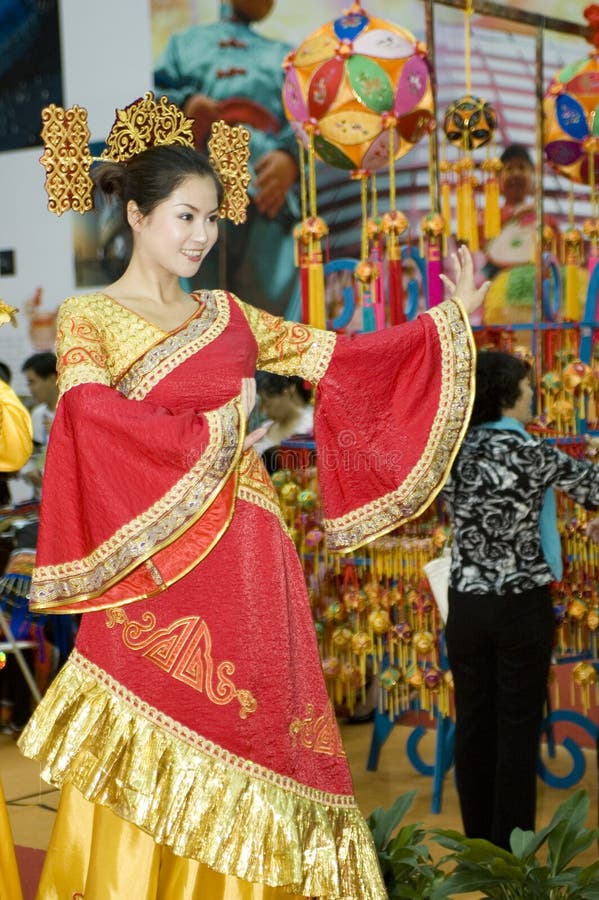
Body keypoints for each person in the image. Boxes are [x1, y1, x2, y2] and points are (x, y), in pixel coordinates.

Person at [18, 101, 488, 896]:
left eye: (209, 218)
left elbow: (339, 358)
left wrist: (447, 323)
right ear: (136, 214)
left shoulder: (228, 312)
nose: (200, 235)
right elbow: (88, 414)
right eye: (183, 216)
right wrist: (209, 436)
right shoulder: (89, 316)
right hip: (156, 570)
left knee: (266, 725)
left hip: (249, 561)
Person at [441, 349, 599, 851]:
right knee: (516, 729)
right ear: (509, 395)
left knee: (473, 723)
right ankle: (512, 853)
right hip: (520, 609)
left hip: (465, 606)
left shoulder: (451, 452)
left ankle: (477, 850)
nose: (534, 395)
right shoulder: (536, 453)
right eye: (529, 388)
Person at [154, 0, 301, 317]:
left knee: (270, 320)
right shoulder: (184, 46)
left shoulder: (285, 57)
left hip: (268, 199)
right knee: (196, 313)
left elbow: (309, 121)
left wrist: (291, 159)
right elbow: (151, 103)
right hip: (200, 187)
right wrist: (186, 106)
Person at [254, 372, 313, 472]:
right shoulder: (265, 429)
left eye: (268, 404)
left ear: (285, 393)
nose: (264, 411)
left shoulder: (311, 424)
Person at [19, 352, 58, 498]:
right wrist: (28, 472)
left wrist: (61, 432)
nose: (30, 389)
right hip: (44, 498)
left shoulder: (74, 412)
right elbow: (34, 456)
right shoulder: (37, 414)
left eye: (32, 382)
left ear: (52, 379)